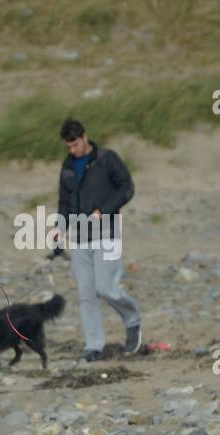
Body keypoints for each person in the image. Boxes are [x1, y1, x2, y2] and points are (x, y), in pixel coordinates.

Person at [56, 118, 142, 362]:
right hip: (80, 239)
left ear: (84, 137)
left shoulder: (107, 159)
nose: (73, 150)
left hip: (108, 235)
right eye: (68, 147)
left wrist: (103, 210)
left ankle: (133, 320)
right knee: (86, 294)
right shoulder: (68, 166)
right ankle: (94, 345)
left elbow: (126, 188)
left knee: (106, 288)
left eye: (75, 145)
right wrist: (60, 227)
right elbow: (64, 201)